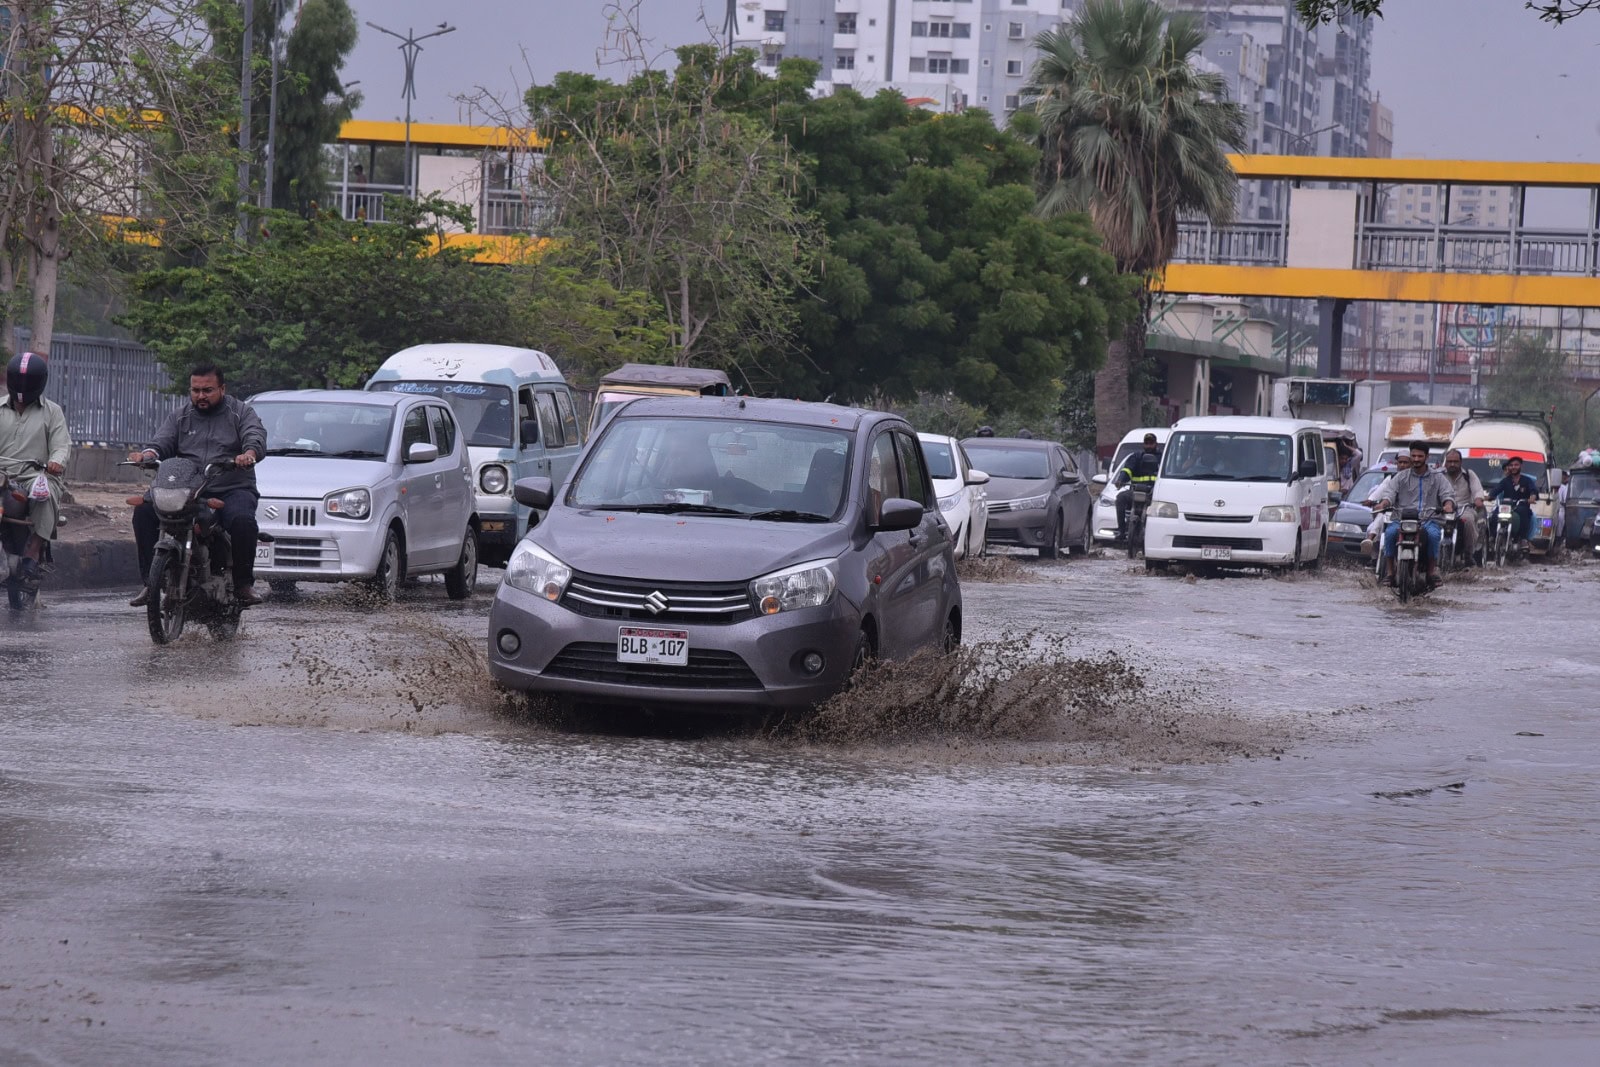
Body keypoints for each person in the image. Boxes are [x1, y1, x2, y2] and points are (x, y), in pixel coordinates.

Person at [127, 364, 266, 607]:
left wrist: (248, 454)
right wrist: (147, 455)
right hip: (187, 488)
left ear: (222, 389)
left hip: (231, 487)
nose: (201, 395)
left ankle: (243, 585)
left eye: (207, 390)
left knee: (242, 521)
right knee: (144, 512)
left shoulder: (241, 412)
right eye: (195, 390)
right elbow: (161, 442)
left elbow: (254, 436)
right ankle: (151, 584)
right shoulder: (180, 416)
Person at [0, 351, 71, 580]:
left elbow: (61, 445)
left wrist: (56, 462)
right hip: (1, 474)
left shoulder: (53, 412)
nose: (22, 387)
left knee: (44, 492)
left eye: (28, 381)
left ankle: (33, 549)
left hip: (35, 475)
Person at [1372, 440, 1456, 587]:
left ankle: (1431, 573)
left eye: (1420, 456)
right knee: (1390, 534)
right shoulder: (1400, 477)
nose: (1416, 459)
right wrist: (1384, 504)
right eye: (1414, 456)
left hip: (1429, 519)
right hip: (1401, 519)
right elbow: (1389, 494)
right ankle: (1390, 573)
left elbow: (1447, 494)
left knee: (1434, 535)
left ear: (1427, 457)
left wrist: (1448, 505)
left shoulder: (1438, 478)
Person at [1439, 448, 1486, 565]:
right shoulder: (1439, 475)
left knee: (1468, 521)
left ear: (1460, 462)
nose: (1452, 464)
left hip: (1464, 508)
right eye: (1449, 461)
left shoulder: (1469, 475)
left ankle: (1469, 554)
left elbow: (1477, 490)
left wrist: (1478, 499)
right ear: (1445, 462)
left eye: (1455, 461)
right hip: (1443, 509)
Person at [1485, 455, 1539, 551]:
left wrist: (1532, 497)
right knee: (1495, 513)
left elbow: (1533, 490)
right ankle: (1493, 537)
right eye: (1511, 465)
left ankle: (1523, 539)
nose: (1513, 467)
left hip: (1521, 506)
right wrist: (1489, 496)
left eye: (1516, 465)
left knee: (1523, 512)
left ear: (1521, 466)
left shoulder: (1527, 480)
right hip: (1506, 506)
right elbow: (1497, 489)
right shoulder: (1505, 481)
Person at [1114, 432, 1162, 538]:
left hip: (1155, 494)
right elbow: (1127, 470)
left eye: (1151, 443)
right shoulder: (1136, 457)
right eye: (1146, 443)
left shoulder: (1163, 458)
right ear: (1143, 444)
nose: (1149, 445)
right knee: (1120, 498)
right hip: (1136, 491)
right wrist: (1120, 480)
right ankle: (1122, 531)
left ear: (1156, 444)